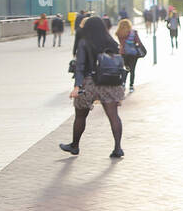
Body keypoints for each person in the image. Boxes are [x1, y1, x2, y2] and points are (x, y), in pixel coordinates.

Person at [60, 15, 126, 159]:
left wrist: (77, 86)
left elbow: (80, 66)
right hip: (110, 83)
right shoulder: (111, 42)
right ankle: (118, 148)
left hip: (90, 82)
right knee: (113, 116)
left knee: (80, 115)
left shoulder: (84, 42)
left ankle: (75, 146)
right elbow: (119, 65)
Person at [115, 18, 146, 93]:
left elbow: (121, 43)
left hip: (123, 53)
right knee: (132, 70)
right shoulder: (133, 33)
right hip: (133, 54)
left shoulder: (119, 33)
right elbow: (139, 42)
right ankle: (131, 86)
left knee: (125, 69)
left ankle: (123, 84)